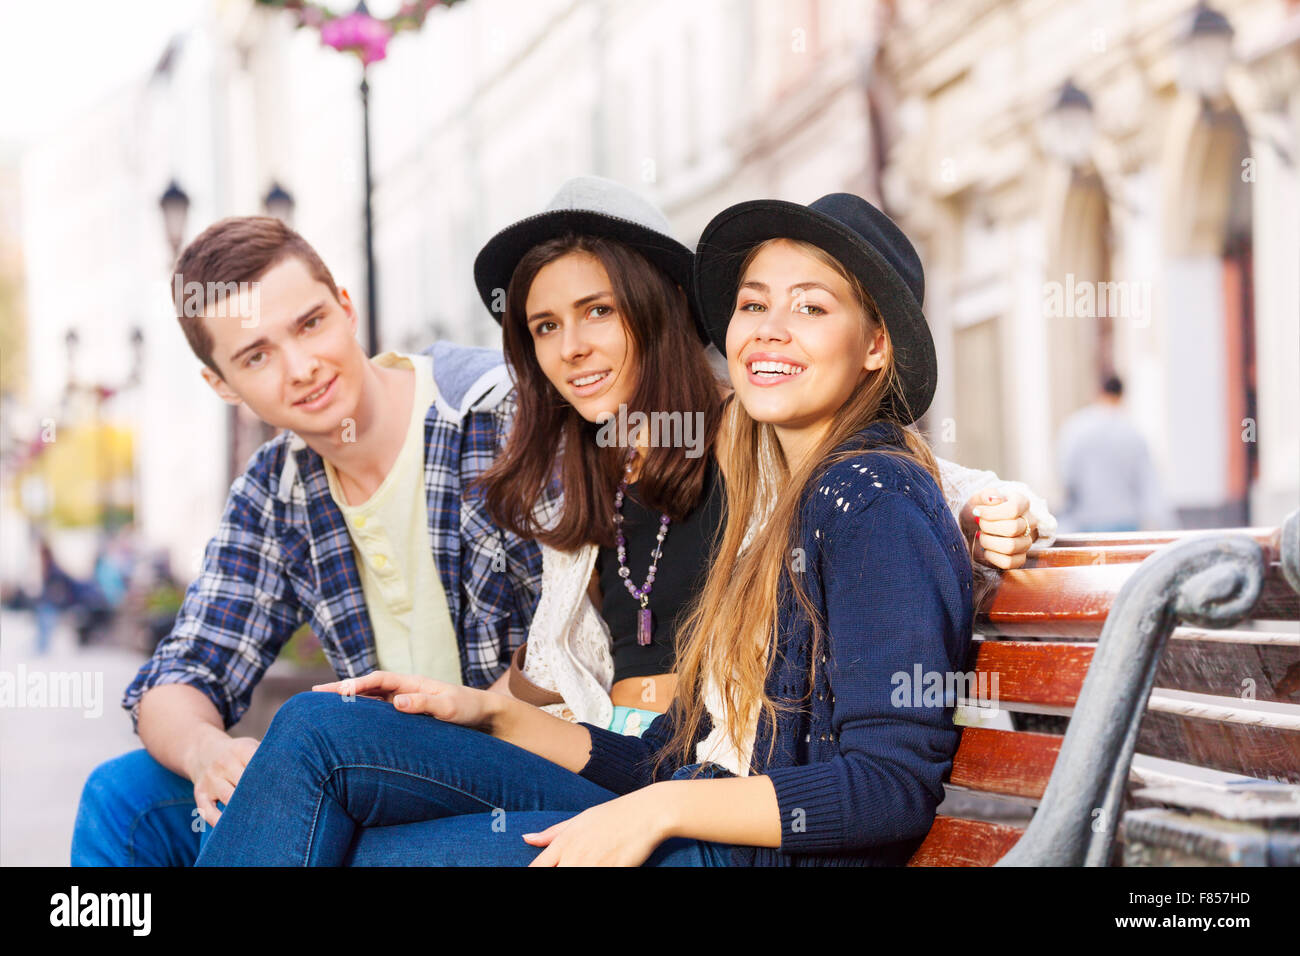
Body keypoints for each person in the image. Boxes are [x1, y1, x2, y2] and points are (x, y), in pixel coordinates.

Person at [193, 192, 996, 865]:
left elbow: (887, 786)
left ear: (875, 345)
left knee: (362, 836)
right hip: (698, 807)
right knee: (312, 728)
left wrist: (657, 812)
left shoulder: (869, 492)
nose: (769, 329)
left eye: (811, 308)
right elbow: (686, 756)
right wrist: (493, 712)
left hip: (747, 848)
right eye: (753, 305)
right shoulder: (784, 499)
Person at [474, 176, 1054, 735]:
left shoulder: (749, 429)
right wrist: (458, 711)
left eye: (598, 310)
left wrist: (985, 511)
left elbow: (901, 484)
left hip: (711, 774)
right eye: (545, 326)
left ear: (666, 304)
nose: (571, 347)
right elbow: (564, 667)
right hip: (616, 755)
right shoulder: (595, 470)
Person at [71, 217, 544, 866]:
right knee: (126, 797)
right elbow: (182, 672)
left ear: (346, 310)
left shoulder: (500, 418)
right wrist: (209, 753)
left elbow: (590, 655)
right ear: (223, 387)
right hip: (381, 781)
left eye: (310, 324)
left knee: (316, 742)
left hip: (534, 767)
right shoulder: (277, 489)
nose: (302, 368)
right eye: (256, 356)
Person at [1056, 374, 1174, 532]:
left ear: (1098, 392)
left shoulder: (1076, 428)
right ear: (1121, 395)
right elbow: (1148, 481)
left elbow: (1067, 476)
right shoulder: (1133, 433)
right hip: (1126, 521)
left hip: (1087, 520)